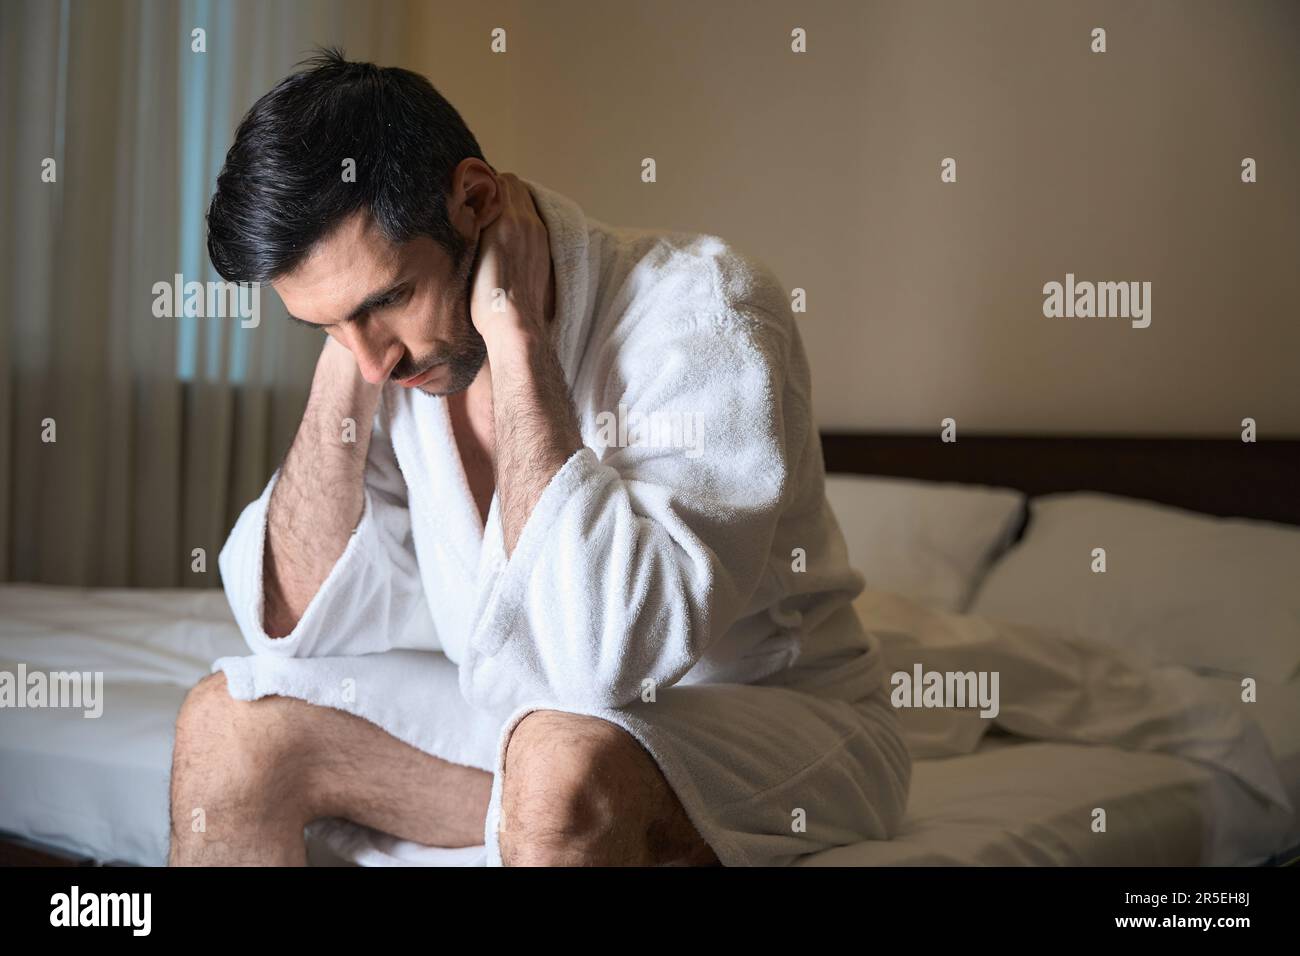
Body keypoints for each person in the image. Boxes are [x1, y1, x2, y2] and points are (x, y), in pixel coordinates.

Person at [168, 49, 911, 867]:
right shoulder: (386, 356)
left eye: (386, 299)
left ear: (476, 200)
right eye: (324, 325)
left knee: (558, 764)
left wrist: (516, 335)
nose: (377, 361)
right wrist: (348, 352)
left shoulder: (707, 312)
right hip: (519, 727)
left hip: (767, 726)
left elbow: (598, 663)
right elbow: (288, 619)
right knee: (225, 728)